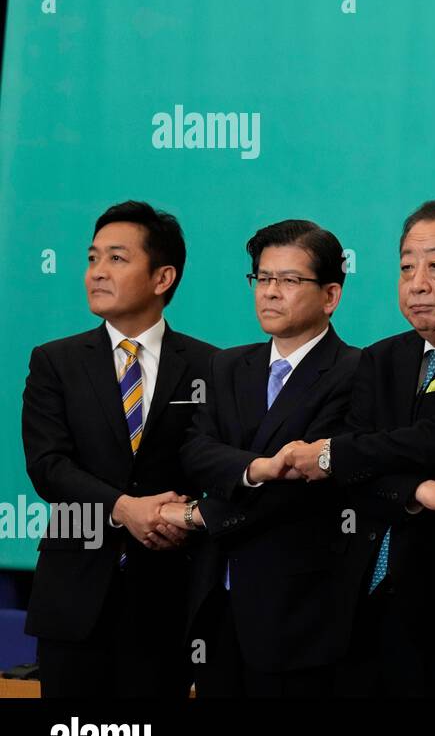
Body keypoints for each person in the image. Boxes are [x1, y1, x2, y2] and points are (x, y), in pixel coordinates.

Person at [288, 200, 435, 697]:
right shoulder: (380, 358)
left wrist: (335, 454)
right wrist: (418, 492)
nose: (417, 283)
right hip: (361, 599)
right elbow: (351, 476)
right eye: (407, 266)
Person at [23, 201, 217, 697]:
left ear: (162, 277)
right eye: (92, 259)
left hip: (169, 593)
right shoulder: (55, 362)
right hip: (74, 591)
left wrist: (183, 515)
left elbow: (212, 466)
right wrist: (122, 508)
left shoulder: (210, 366)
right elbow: (49, 467)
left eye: (116, 259)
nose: (97, 273)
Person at [177, 220, 360, 697]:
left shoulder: (357, 371)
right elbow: (197, 452)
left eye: (290, 280)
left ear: (330, 295)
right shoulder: (227, 365)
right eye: (262, 278)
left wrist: (200, 515)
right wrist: (257, 469)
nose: (271, 292)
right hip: (217, 600)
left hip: (302, 610)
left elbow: (307, 486)